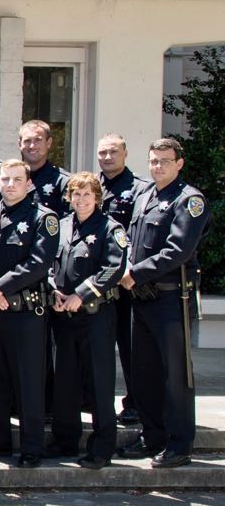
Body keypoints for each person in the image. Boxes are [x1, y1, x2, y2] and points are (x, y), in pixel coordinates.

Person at [120, 137, 210, 468]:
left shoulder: (190, 200)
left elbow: (179, 250)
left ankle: (179, 443)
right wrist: (125, 268)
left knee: (176, 377)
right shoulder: (145, 194)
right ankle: (152, 434)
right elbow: (132, 240)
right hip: (142, 298)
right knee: (145, 374)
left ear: (179, 163)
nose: (158, 166)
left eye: (165, 161)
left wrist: (136, 273)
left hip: (172, 299)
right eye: (154, 160)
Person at [0, 160, 59, 467]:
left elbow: (39, 262)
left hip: (25, 313)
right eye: (5, 179)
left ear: (28, 183)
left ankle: (32, 446)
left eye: (16, 179)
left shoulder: (43, 217)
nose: (9, 184)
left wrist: (1, 288)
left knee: (28, 380)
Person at [49, 172, 128, 467]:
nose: (80, 200)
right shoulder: (62, 226)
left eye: (86, 194)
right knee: (65, 382)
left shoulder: (110, 228)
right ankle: (65, 440)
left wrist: (81, 294)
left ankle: (101, 447)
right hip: (64, 316)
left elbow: (114, 269)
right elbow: (50, 264)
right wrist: (54, 291)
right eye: (75, 194)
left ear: (98, 197)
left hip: (96, 316)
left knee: (99, 382)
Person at [97, 132, 150, 426]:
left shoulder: (141, 189)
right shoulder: (91, 185)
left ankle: (135, 403)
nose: (107, 157)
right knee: (96, 345)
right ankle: (90, 397)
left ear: (125, 153)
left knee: (130, 348)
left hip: (126, 282)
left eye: (113, 151)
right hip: (97, 283)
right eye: (103, 152)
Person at [19, 119, 71, 218]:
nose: (32, 146)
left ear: (49, 143)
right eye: (27, 141)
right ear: (19, 144)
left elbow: (67, 223)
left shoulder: (64, 181)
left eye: (38, 140)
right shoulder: (8, 178)